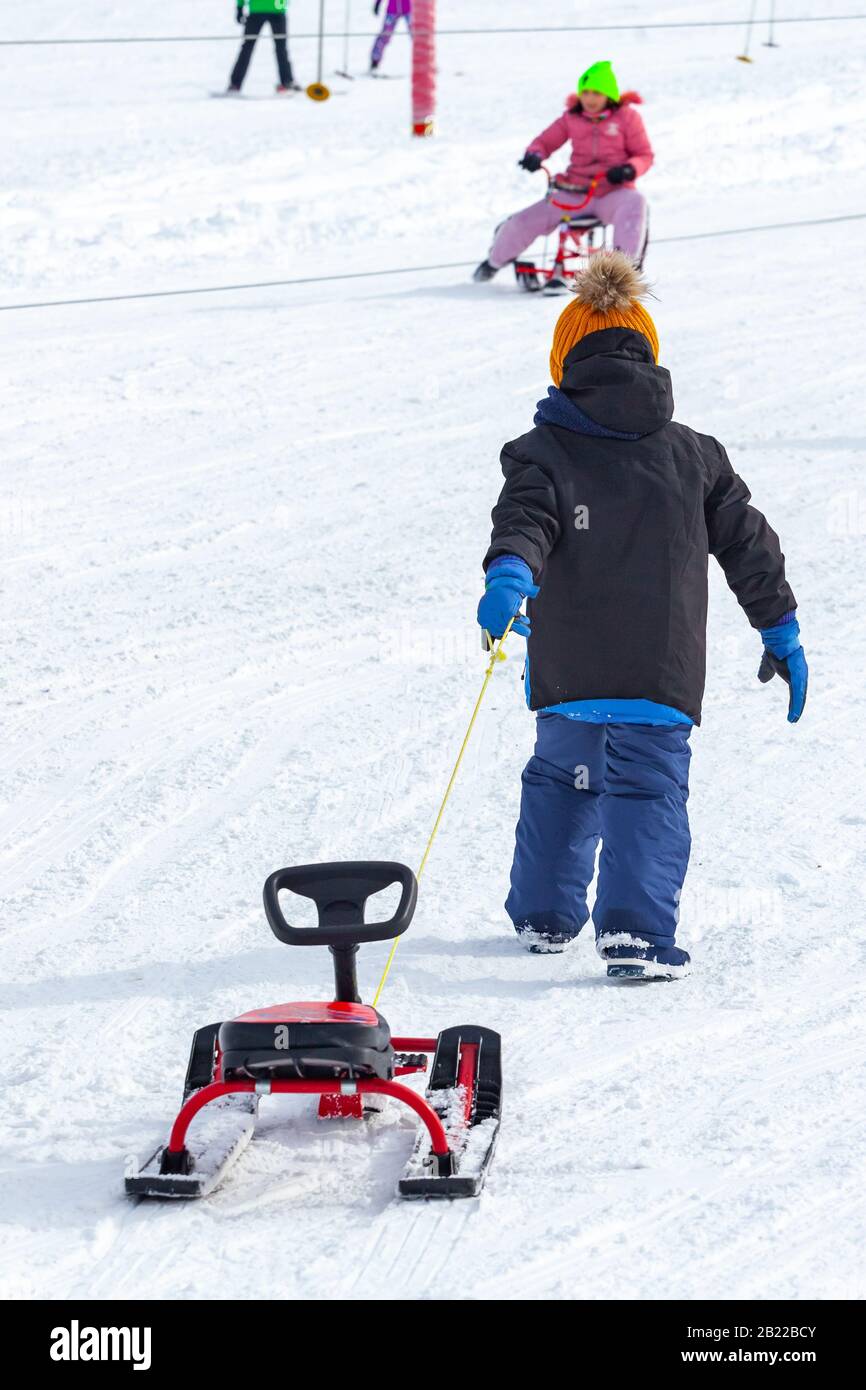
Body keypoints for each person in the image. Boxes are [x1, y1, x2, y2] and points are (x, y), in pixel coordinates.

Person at [476, 252, 807, 981]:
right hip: (661, 671)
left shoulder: (541, 451)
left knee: (561, 781)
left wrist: (509, 575)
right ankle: (634, 936)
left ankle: (542, 914)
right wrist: (778, 627)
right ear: (648, 356)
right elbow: (749, 542)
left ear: (564, 359)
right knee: (646, 791)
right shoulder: (696, 455)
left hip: (569, 668)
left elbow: (525, 521)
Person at [474, 61, 653, 282]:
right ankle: (493, 262)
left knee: (635, 202)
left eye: (596, 93)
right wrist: (534, 155)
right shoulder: (572, 118)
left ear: (609, 95)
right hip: (575, 192)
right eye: (585, 92)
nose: (590, 99)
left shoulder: (627, 118)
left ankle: (625, 274)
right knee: (522, 222)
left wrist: (629, 169)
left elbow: (644, 155)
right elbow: (544, 142)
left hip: (612, 191)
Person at [228, 1, 300, 95]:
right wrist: (239, 7)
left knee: (280, 47)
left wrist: (240, 7)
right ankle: (235, 83)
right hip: (260, 9)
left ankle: (287, 82)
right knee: (248, 47)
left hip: (275, 9)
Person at [370, 0, 412, 74]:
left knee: (417, 35)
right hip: (393, 9)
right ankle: (375, 60)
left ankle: (426, 60)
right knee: (384, 35)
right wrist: (377, 4)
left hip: (408, 8)